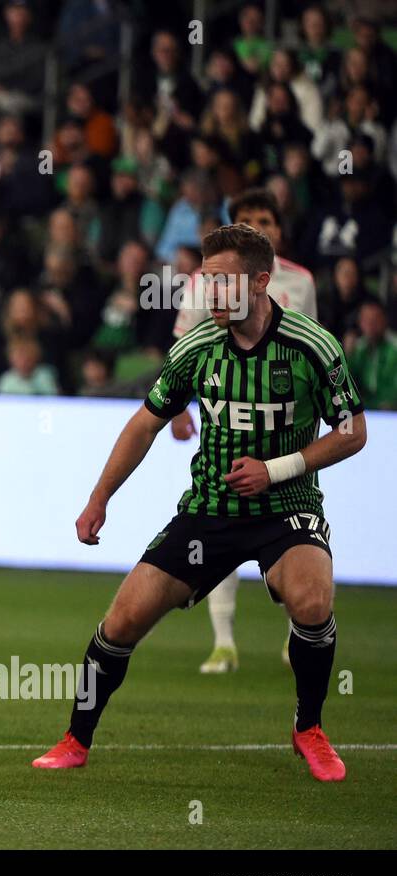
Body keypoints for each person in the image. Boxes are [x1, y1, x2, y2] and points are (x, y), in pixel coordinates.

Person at [33, 224, 366, 782]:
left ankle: (309, 727)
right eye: (206, 283)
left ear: (261, 282)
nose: (211, 295)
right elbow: (145, 425)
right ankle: (74, 738)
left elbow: (352, 431)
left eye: (223, 282)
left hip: (288, 507)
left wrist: (277, 470)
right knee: (122, 621)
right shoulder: (195, 349)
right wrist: (99, 498)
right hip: (209, 512)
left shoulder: (313, 346)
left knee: (312, 599)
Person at [171, 188, 319, 674]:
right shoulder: (205, 281)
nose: (260, 226)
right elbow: (184, 342)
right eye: (248, 219)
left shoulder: (300, 281)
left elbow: (312, 357)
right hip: (227, 427)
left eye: (266, 219)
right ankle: (223, 642)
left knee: (287, 547)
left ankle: (296, 632)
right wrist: (177, 409)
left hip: (285, 438)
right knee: (223, 530)